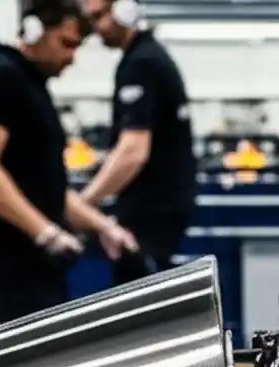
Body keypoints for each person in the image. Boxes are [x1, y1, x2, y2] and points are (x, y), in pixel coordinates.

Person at [0, 0, 137, 324]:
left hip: (34, 256)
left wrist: (102, 226)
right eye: (66, 43)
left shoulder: (29, 85)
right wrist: (45, 233)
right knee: (35, 347)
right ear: (34, 31)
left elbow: (43, 185)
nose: (72, 57)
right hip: (8, 253)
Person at [79, 0, 195, 283]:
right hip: (164, 207)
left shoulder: (141, 63)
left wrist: (83, 203)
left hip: (150, 213)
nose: (95, 28)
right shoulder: (149, 56)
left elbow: (132, 151)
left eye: (99, 16)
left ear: (123, 9)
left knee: (140, 298)